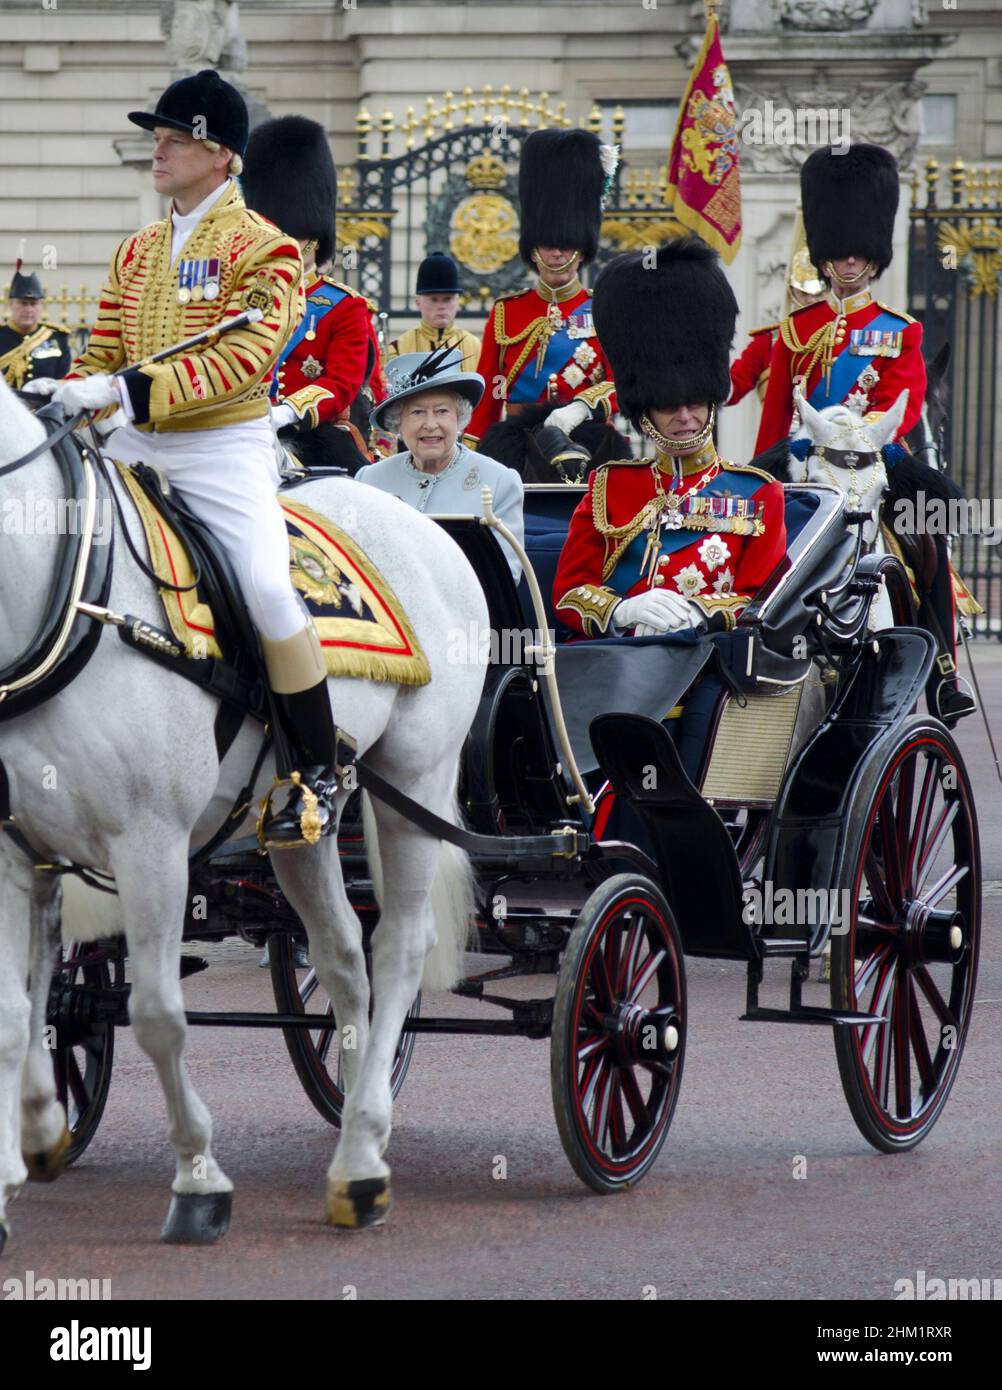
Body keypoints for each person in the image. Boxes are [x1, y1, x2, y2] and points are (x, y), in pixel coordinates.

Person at [22, 70, 340, 847]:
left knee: (267, 587)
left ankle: (316, 770)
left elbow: (243, 359)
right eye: (157, 137)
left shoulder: (266, 250)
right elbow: (102, 351)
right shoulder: (136, 252)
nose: (157, 150)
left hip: (223, 448)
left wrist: (124, 392)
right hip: (131, 444)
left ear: (221, 154)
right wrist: (69, 390)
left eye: (175, 138)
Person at [553, 238, 787, 783]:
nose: (683, 416)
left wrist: (706, 612)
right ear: (644, 409)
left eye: (693, 402)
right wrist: (620, 611)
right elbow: (569, 591)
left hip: (707, 664)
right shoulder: (610, 485)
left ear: (711, 400)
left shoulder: (757, 493)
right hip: (617, 661)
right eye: (667, 404)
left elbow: (763, 599)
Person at [755, 144, 925, 453]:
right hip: (806, 454)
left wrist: (855, 437)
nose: (849, 260)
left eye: (859, 254)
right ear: (823, 260)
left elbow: (902, 404)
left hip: (872, 452)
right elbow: (775, 417)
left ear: (873, 261)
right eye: (840, 252)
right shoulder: (796, 328)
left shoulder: (901, 331)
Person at [240, 114, 379, 473]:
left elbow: (343, 382)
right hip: (243, 430)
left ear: (313, 238)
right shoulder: (243, 296)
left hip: (315, 434)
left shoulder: (345, 306)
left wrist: (288, 411)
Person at [465, 129, 618, 450]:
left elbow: (620, 384)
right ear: (534, 249)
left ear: (581, 247)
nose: (557, 254)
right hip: (520, 440)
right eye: (549, 245)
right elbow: (491, 392)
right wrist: (473, 449)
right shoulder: (507, 311)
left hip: (587, 436)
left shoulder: (604, 308)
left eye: (566, 245)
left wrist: (582, 408)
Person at [357, 345, 524, 583]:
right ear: (398, 424)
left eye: (442, 411)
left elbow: (506, 578)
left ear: (460, 419)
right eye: (417, 413)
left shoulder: (499, 481)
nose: (430, 424)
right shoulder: (370, 480)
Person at [727, 213, 824, 408]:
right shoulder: (767, 343)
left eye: (820, 293)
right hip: (781, 437)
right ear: (792, 292)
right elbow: (731, 388)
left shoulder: (846, 337)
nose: (812, 300)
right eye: (804, 292)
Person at [386, 252, 481, 374]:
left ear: (457, 301)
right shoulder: (397, 348)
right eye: (433, 299)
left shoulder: (477, 347)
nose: (441, 306)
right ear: (418, 303)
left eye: (447, 299)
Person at [0, 261, 71, 389]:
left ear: (41, 305)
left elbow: (64, 380)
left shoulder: (56, 337)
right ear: (11, 304)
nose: (28, 310)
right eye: (23, 303)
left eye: (33, 304)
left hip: (45, 405)